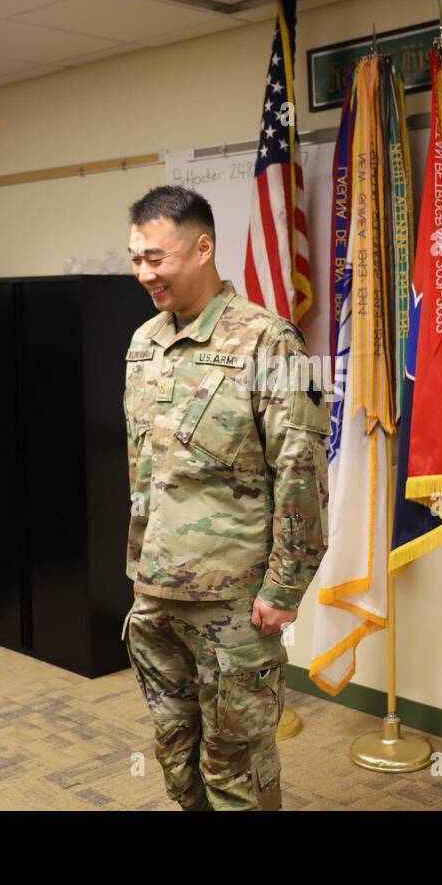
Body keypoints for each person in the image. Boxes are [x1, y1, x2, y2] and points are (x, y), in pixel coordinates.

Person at [121, 186, 329, 810]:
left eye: (155, 257)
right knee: (176, 757)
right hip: (155, 594)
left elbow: (301, 471)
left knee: (236, 769)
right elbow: (144, 473)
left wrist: (284, 586)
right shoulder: (143, 343)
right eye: (135, 258)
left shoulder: (272, 342)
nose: (143, 273)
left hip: (232, 602)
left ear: (203, 247)